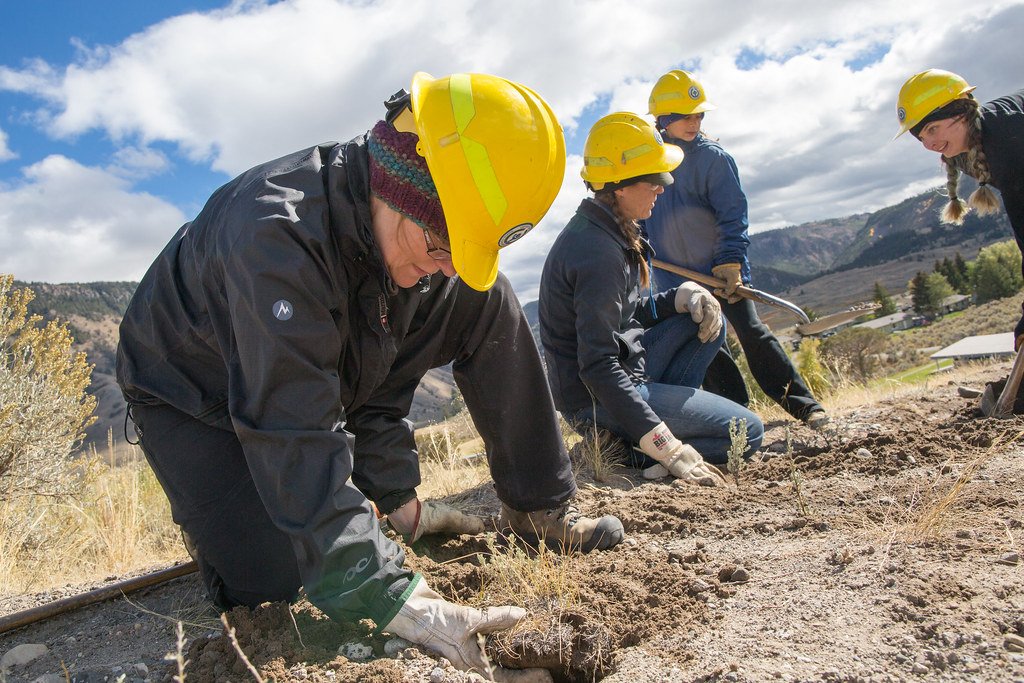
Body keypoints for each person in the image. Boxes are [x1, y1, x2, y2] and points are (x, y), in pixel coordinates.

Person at [115, 71, 624, 676]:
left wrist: (393, 491)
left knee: (485, 300)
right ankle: (226, 528)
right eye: (443, 245)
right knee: (282, 583)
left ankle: (537, 505)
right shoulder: (273, 239)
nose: (445, 268)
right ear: (401, 188)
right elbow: (291, 426)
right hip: (194, 396)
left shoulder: (404, 239)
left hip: (315, 356)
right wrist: (396, 598)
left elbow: (376, 371)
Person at [538, 112, 763, 486]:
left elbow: (623, 316)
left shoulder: (610, 230)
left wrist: (679, 297)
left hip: (625, 373)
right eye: (655, 179)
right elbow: (597, 365)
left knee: (704, 318)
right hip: (596, 398)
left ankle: (643, 430)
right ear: (621, 186)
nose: (665, 187)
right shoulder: (597, 252)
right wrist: (668, 448)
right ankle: (636, 446)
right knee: (748, 432)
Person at [644, 70, 830, 429]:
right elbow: (640, 215)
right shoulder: (650, 164)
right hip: (675, 280)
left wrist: (730, 261)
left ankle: (806, 407)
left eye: (699, 114)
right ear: (663, 119)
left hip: (717, 270)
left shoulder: (713, 159)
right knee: (708, 342)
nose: (694, 122)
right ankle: (738, 421)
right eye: (686, 115)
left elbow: (733, 215)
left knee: (751, 332)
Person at [894, 68, 1024, 347]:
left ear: (962, 112)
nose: (928, 144)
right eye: (920, 137)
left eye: (932, 129)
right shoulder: (967, 153)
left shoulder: (1007, 139)